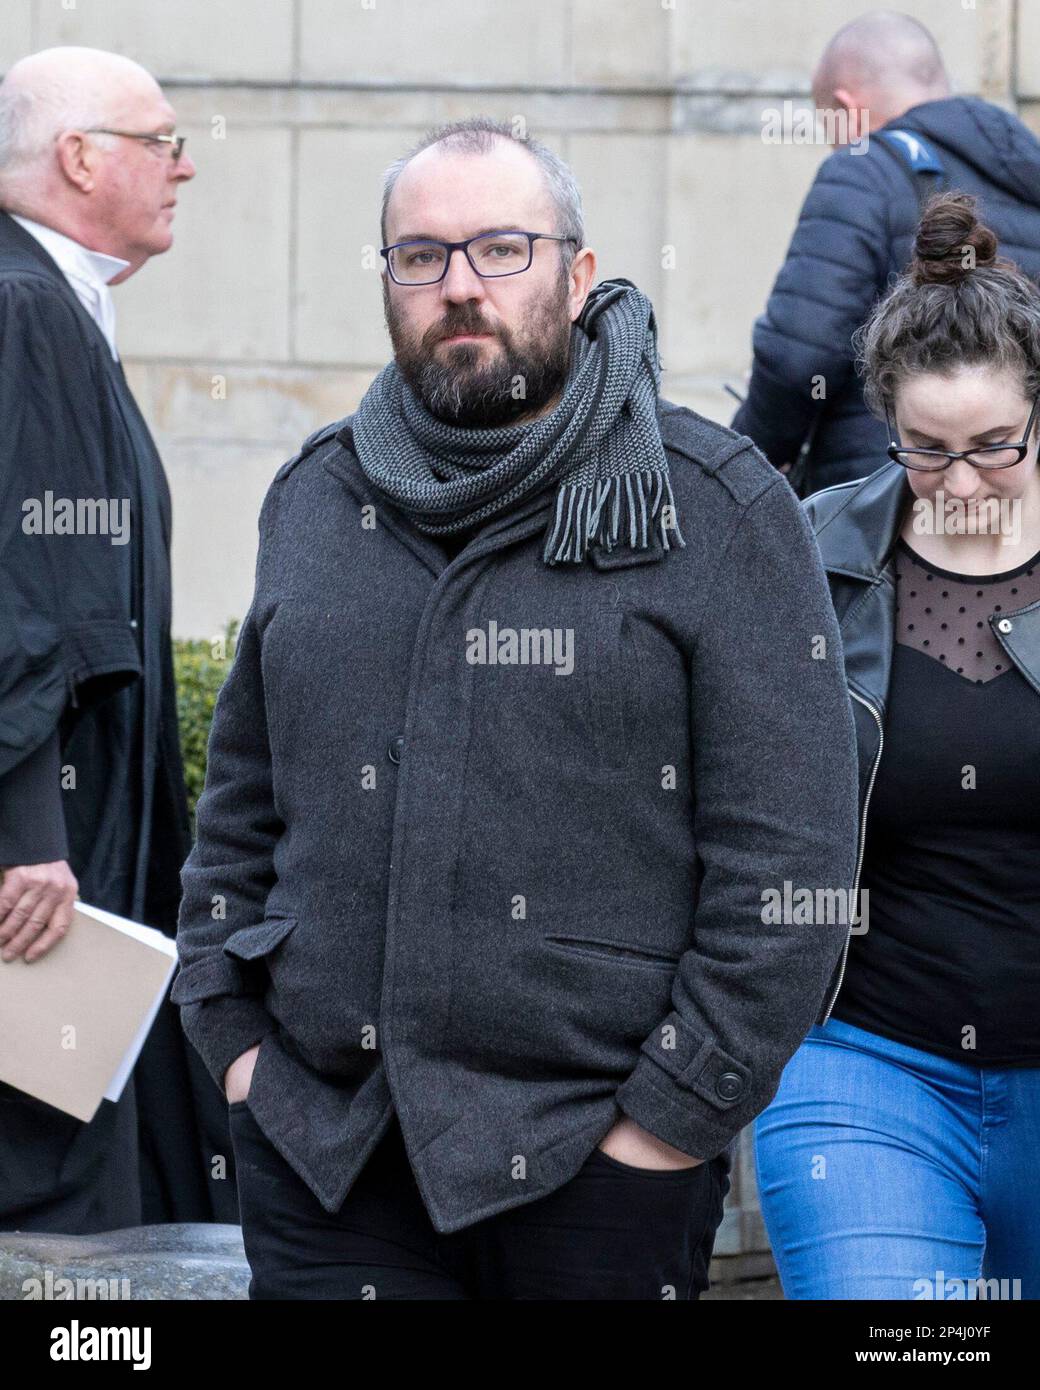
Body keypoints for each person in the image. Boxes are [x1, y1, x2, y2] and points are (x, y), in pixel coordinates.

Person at [172, 115, 861, 1301]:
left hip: (595, 1167)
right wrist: (231, 1039)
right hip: (329, 1156)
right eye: (420, 255)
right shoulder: (317, 497)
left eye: (500, 249)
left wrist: (666, 1126)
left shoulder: (709, 507)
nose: (457, 288)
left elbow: (786, 864)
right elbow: (239, 803)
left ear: (578, 274)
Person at [754, 192, 1040, 1300]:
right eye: (924, 451)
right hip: (864, 1064)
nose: (960, 484)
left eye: (993, 448)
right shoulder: (811, 557)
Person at [0, 47, 228, 1233]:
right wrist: (26, 834)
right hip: (41, 879)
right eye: (162, 140)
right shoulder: (25, 305)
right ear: (79, 157)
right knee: (47, 1198)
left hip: (62, 853)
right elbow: (16, 597)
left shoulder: (48, 299)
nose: (185, 166)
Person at [732, 9, 1040, 495]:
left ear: (843, 105)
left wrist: (744, 470)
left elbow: (797, 357)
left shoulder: (862, 171)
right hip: (1016, 502)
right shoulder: (1025, 171)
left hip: (883, 502)